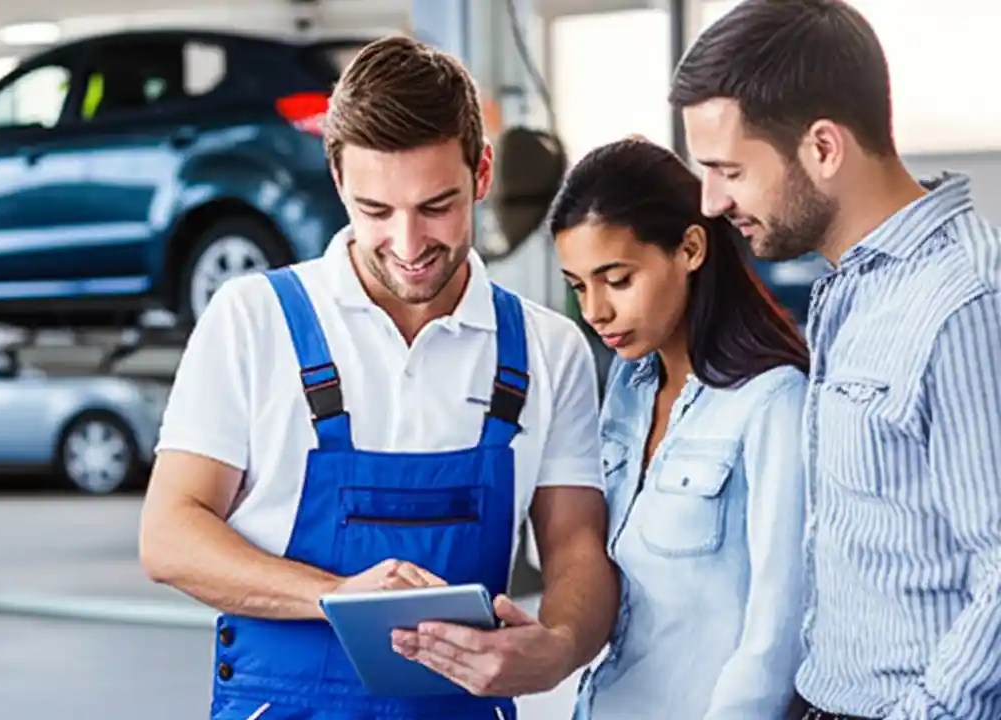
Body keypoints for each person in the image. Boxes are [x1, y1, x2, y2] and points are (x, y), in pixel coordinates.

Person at [138, 35, 619, 720]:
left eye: (436, 207)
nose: (408, 242)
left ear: (481, 174)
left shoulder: (548, 349)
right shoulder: (252, 320)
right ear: (338, 182)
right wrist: (337, 594)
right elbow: (169, 537)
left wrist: (561, 646)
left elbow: (575, 544)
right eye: (375, 211)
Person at [671, 2, 1001, 719]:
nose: (712, 199)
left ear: (823, 147)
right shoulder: (851, 288)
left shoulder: (963, 304)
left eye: (729, 169)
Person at [548, 137, 810, 720]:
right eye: (579, 285)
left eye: (617, 279)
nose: (595, 312)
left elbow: (777, 637)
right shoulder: (629, 384)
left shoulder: (773, 401)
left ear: (691, 247)